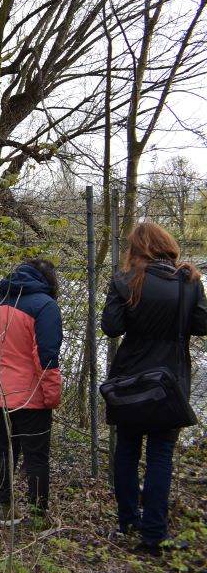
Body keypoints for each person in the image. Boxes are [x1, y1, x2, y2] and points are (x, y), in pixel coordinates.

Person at [102, 221, 207, 555]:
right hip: (171, 380)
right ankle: (154, 534)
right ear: (167, 245)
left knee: (127, 449)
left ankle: (127, 520)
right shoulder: (189, 281)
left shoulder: (124, 281)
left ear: (136, 249)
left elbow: (111, 328)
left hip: (130, 378)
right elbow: (202, 325)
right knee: (161, 454)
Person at [0, 259, 62, 526]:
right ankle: (38, 516)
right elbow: (46, 358)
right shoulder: (46, 306)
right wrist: (52, 396)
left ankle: (6, 509)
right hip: (31, 397)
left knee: (4, 450)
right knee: (36, 456)